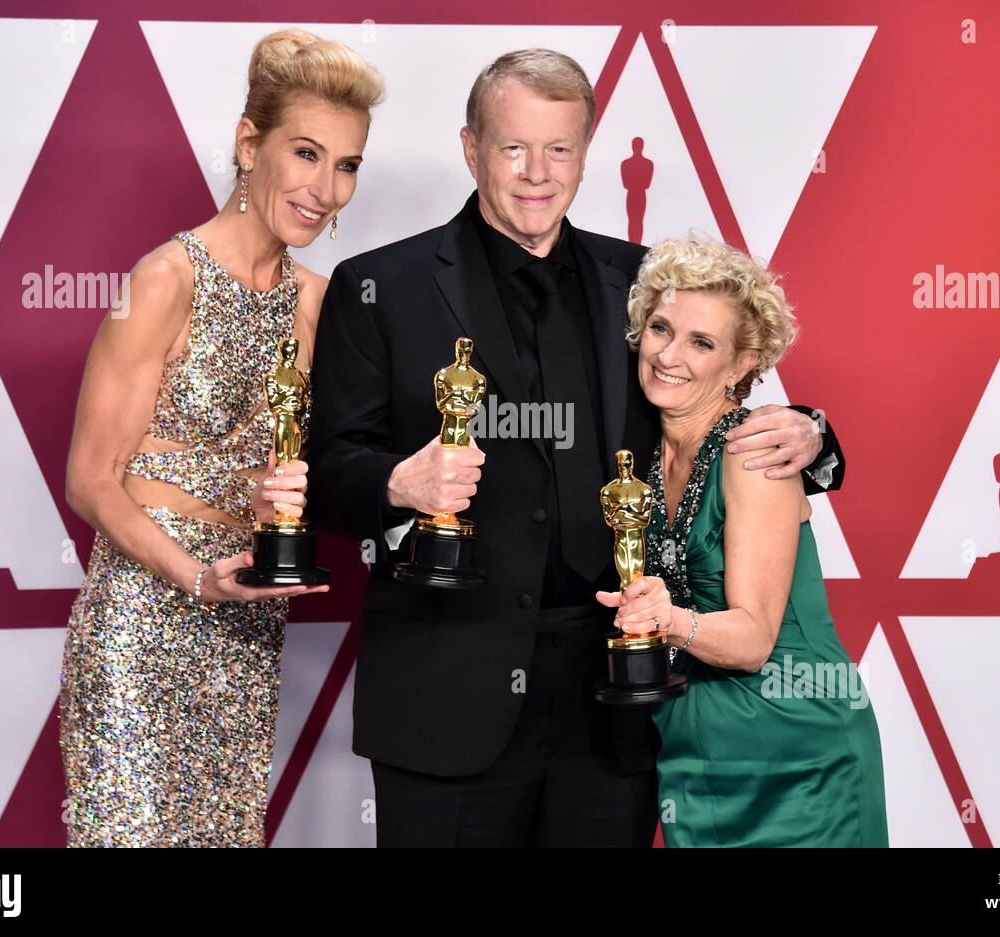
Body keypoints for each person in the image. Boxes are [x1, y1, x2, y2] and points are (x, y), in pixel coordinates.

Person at [307, 48, 843, 847]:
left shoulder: (638, 280)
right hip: (446, 693)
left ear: (586, 156)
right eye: (513, 147)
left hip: (613, 695)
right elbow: (325, 475)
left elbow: (709, 395)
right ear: (470, 148)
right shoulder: (378, 283)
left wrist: (816, 434)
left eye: (559, 149)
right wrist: (399, 481)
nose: (536, 172)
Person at [59, 30, 382, 847]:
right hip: (143, 622)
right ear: (249, 144)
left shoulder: (317, 301)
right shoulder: (166, 278)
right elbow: (91, 479)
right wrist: (197, 578)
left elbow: (297, 466)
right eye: (306, 153)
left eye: (346, 165)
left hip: (243, 629)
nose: (325, 188)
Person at [598, 238, 887, 847]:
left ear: (741, 365)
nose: (669, 355)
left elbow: (755, 641)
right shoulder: (643, 455)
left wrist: (665, 619)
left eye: (701, 342)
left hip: (799, 756)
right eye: (660, 328)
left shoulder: (756, 451)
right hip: (693, 749)